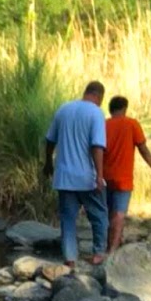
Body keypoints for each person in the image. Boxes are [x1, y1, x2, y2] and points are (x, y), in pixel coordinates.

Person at [44, 81, 108, 266]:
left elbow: (49, 140)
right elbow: (97, 146)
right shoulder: (96, 113)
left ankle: (70, 259)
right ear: (100, 97)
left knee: (68, 220)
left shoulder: (64, 109)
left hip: (64, 177)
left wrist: (48, 163)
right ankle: (98, 254)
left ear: (86, 92)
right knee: (98, 215)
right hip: (87, 177)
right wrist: (99, 176)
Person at [102, 96, 151, 252]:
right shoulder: (132, 124)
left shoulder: (103, 125)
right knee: (119, 214)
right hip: (123, 179)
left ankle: (107, 244)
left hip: (103, 177)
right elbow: (143, 150)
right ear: (124, 108)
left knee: (107, 213)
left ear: (110, 109)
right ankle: (113, 249)